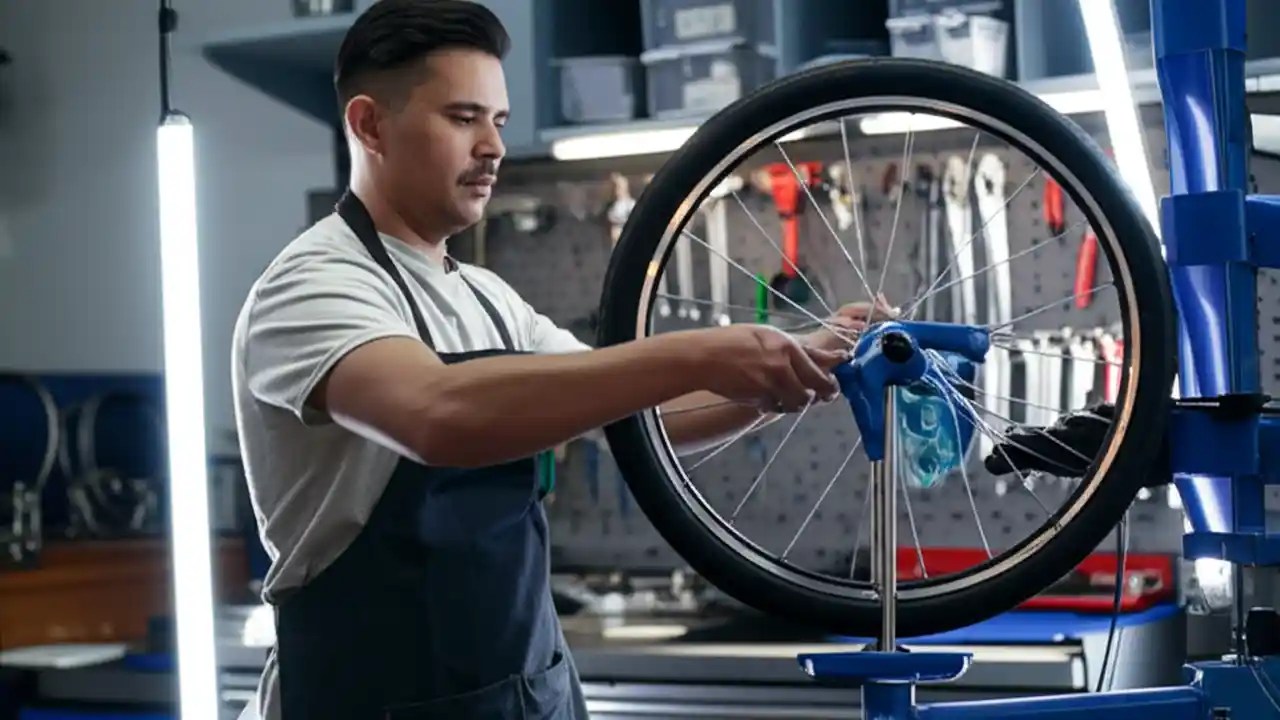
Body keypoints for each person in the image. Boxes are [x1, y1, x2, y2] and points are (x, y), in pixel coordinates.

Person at [230, 1, 889, 718]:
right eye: (462, 117)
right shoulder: (313, 285)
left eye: (500, 122)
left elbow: (639, 415)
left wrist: (796, 370)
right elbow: (435, 413)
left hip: (522, 694)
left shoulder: (484, 297)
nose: (493, 148)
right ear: (369, 125)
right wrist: (697, 350)